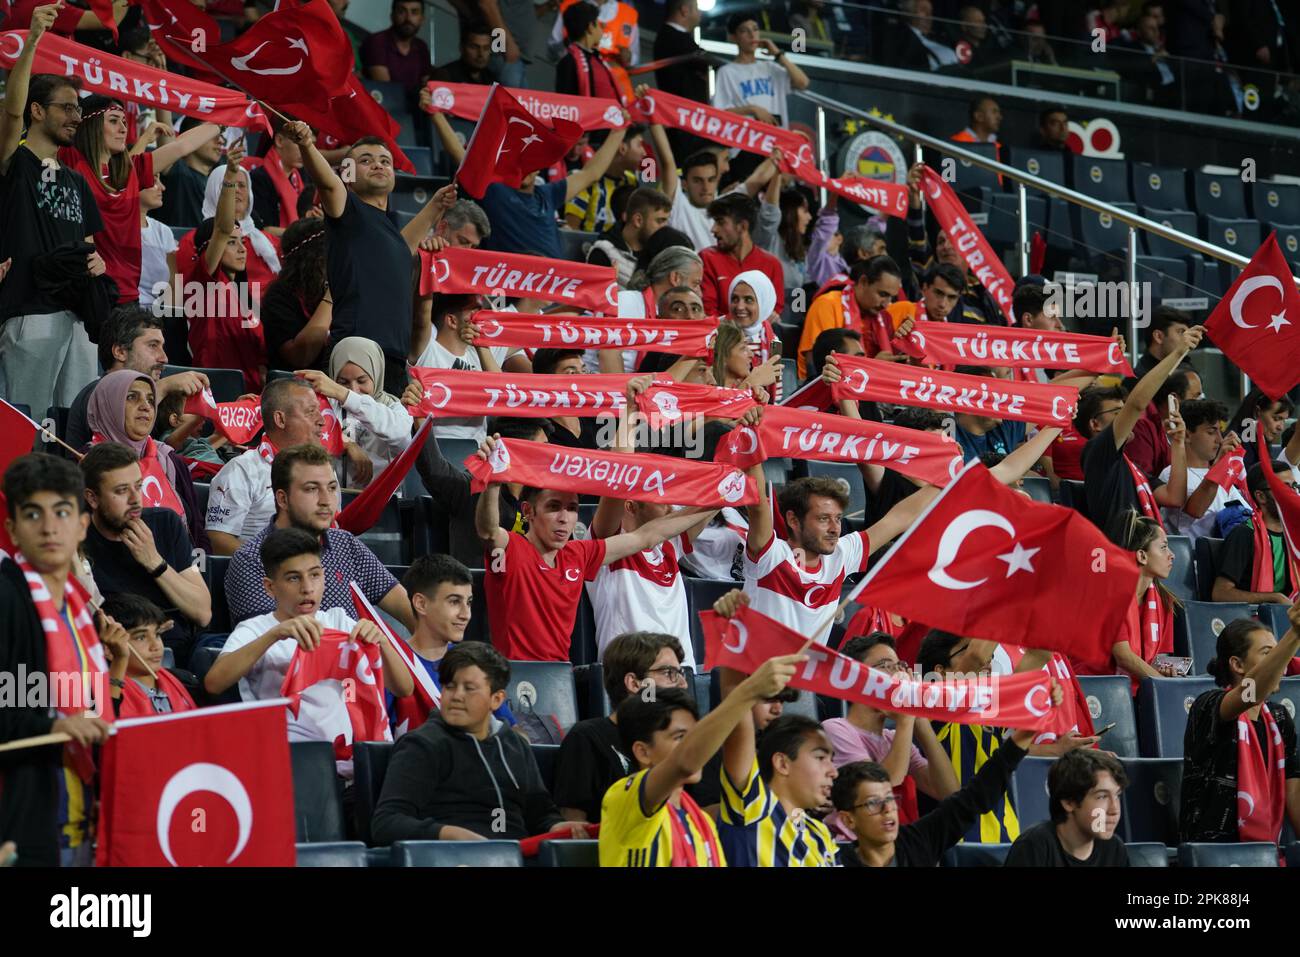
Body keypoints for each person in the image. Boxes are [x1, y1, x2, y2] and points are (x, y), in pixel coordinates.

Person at [473, 432, 716, 661]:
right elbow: (488, 530)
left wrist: (725, 489)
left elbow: (646, 536)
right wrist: (493, 484)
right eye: (553, 507)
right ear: (528, 511)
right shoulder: (511, 548)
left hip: (560, 680)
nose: (564, 518)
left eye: (572, 509)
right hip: (513, 675)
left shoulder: (578, 554)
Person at [204, 528, 413, 774]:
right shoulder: (255, 629)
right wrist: (276, 634)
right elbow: (214, 683)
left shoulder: (340, 620)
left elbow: (404, 688)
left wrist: (382, 643)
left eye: (315, 575)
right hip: (294, 767)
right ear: (270, 587)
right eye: (294, 578)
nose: (307, 588)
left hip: (359, 763)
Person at [0, 453, 120, 867]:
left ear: (82, 524)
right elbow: (8, 706)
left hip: (82, 812)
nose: (49, 527)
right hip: (24, 823)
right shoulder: (7, 601)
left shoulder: (79, 608)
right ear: (13, 529)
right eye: (33, 514)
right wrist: (54, 725)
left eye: (62, 512)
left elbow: (88, 709)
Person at [284, 120, 455, 390]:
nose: (379, 165)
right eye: (366, 160)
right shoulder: (346, 209)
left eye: (386, 161)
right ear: (348, 174)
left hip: (394, 359)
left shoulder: (387, 229)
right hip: (357, 355)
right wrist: (306, 144)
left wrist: (435, 207)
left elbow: (400, 248)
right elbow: (329, 185)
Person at [0, 7, 106, 418]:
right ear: (37, 110)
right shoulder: (18, 162)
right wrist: (32, 41)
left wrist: (95, 262)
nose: (76, 117)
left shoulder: (77, 180)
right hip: (29, 312)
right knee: (24, 425)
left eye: (79, 110)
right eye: (66, 108)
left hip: (77, 319)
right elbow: (10, 112)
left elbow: (88, 247)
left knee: (73, 428)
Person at [599, 654, 802, 866]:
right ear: (643, 752)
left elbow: (735, 734)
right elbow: (684, 763)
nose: (697, 748)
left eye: (694, 735)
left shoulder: (700, 821)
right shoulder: (623, 797)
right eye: (680, 737)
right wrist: (748, 691)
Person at [372, 642, 587, 842]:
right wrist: (450, 834)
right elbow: (387, 823)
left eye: (469, 688)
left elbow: (541, 815)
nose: (456, 696)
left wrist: (557, 827)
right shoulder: (421, 745)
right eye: (450, 686)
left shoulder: (515, 746)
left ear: (497, 699)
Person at [222, 442, 411, 628]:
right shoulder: (252, 559)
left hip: (355, 656)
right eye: (312, 489)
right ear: (282, 499)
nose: (326, 501)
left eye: (331, 488)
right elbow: (270, 644)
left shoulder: (346, 544)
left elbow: (408, 610)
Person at [60, 94, 220, 304]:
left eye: (125, 122)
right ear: (92, 124)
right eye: (114, 121)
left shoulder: (130, 171)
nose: (123, 129)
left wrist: (226, 120)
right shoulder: (73, 161)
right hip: (89, 292)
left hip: (128, 296)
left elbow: (182, 147)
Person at [742, 473, 938, 643]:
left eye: (838, 518)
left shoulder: (840, 556)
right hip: (754, 682)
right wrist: (752, 450)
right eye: (823, 518)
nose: (835, 528)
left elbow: (900, 518)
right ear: (793, 520)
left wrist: (947, 476)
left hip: (804, 684)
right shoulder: (770, 556)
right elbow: (758, 507)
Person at [429, 108, 627, 261]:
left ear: (539, 166)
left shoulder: (548, 194)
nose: (523, 167)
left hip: (556, 287)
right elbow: (463, 159)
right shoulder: (495, 191)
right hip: (514, 288)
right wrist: (436, 114)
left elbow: (591, 174)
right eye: (517, 160)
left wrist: (619, 131)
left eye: (529, 161)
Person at [79, 441, 212, 661]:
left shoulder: (166, 523)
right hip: (117, 656)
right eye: (122, 491)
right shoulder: (77, 539)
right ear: (92, 498)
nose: (135, 499)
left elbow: (203, 613)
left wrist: (154, 562)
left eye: (138, 486)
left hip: (178, 652)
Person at [832, 726, 1036, 867]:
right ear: (848, 819)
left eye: (890, 798)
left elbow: (972, 799)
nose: (888, 809)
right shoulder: (834, 860)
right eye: (873, 803)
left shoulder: (917, 841)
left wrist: (1021, 739)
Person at [1182, 612, 1300, 843]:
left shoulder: (1279, 717)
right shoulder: (1207, 705)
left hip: (1268, 852)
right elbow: (1252, 693)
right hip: (1213, 853)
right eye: (1269, 653)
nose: (1281, 663)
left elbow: (1293, 791)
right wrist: (1295, 633)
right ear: (1237, 664)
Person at [1079, 323, 1203, 543]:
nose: (1127, 418)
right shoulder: (1098, 452)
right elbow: (1136, 404)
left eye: (1122, 410)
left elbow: (1174, 496)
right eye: (1117, 411)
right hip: (1122, 553)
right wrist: (1177, 353)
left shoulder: (1130, 467)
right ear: (1095, 424)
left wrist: (1178, 444)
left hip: (1145, 552)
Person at [822, 633, 958, 830]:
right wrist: (906, 717)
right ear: (857, 679)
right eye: (886, 666)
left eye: (900, 666)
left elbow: (949, 792)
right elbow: (880, 787)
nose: (897, 676)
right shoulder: (836, 729)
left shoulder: (891, 738)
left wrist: (919, 719)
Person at [554, 631, 691, 822]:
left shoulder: (678, 740)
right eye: (669, 673)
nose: (683, 685)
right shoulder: (587, 737)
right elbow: (574, 829)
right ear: (634, 684)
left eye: (680, 673)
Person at [385, 554, 514, 734]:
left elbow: (514, 733)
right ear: (421, 604)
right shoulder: (389, 664)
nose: (465, 614)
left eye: (468, 603)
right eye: (454, 602)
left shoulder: (475, 664)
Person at [85, 369, 210, 549]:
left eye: (151, 400)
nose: (145, 406)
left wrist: (203, 574)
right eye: (131, 397)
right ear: (108, 405)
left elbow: (197, 532)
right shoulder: (86, 462)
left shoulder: (170, 459)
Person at [182, 138, 268, 389]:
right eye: (231, 243)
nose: (242, 249)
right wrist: (230, 174)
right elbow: (222, 228)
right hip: (214, 394)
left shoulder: (247, 298)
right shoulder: (203, 285)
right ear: (207, 250)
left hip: (250, 401)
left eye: (241, 242)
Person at [409, 413, 548, 568]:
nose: (550, 456)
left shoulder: (544, 497)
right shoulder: (473, 487)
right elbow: (434, 471)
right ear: (518, 451)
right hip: (477, 587)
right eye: (543, 448)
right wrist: (421, 421)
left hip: (525, 585)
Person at [205, 376, 324, 555]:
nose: (321, 420)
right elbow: (218, 539)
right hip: (263, 577)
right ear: (280, 419)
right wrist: (274, 567)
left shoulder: (325, 472)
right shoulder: (241, 470)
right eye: (311, 412)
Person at [65, 305, 208, 451]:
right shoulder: (97, 394)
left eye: (162, 347)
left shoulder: (158, 401)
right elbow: (121, 447)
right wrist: (163, 387)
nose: (164, 358)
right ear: (120, 352)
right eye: (153, 345)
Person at [1005, 749, 1131, 866]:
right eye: (1102, 797)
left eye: (1117, 795)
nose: (1115, 810)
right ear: (1069, 802)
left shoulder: (1114, 848)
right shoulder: (1033, 846)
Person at [796, 255, 905, 380]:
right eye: (883, 294)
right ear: (863, 282)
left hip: (869, 390)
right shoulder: (827, 304)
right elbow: (815, 366)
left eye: (891, 297)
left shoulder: (883, 317)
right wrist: (872, 367)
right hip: (825, 388)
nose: (886, 304)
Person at [1160, 399, 1248, 540]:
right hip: (1192, 560)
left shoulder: (1223, 475)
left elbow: (1246, 516)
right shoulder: (1170, 473)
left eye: (1220, 431)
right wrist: (1218, 466)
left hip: (1227, 557)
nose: (1220, 440)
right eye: (1211, 432)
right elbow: (1195, 510)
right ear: (1187, 435)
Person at [1212, 463, 1298, 605]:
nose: (1293, 494)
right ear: (1261, 497)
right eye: (1284, 487)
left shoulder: (1295, 536)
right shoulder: (1244, 534)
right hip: (1254, 620)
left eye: (1294, 486)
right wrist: (1273, 598)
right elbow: (1220, 593)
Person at [99, 593, 197, 717]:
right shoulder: (92, 690)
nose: (155, 646)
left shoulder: (185, 681)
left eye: (157, 634)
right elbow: (99, 725)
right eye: (141, 637)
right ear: (108, 649)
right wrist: (120, 659)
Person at [712, 12, 809, 128]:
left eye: (755, 29)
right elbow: (719, 113)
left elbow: (803, 82)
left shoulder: (770, 67)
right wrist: (752, 109)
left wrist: (778, 54)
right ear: (733, 37)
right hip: (746, 141)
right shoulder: (727, 72)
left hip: (776, 142)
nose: (752, 35)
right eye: (744, 31)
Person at [260, 217, 331, 371]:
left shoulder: (340, 289)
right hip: (296, 386)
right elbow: (300, 357)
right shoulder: (279, 296)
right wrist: (331, 297)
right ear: (313, 259)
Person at [700, 192, 785, 320]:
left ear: (742, 226)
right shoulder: (706, 259)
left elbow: (774, 311)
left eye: (720, 222)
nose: (713, 229)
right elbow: (708, 312)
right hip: (721, 338)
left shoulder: (772, 264)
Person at [653, 0, 708, 158]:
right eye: (697, 9)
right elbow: (701, 60)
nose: (700, 14)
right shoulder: (669, 37)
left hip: (692, 120)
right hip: (681, 121)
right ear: (685, 10)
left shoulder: (681, 40)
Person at [584, 184, 671, 283]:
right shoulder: (603, 252)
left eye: (666, 221)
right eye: (660, 221)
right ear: (638, 220)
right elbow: (597, 296)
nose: (665, 227)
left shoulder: (660, 253)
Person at [155, 116, 225, 229]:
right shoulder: (176, 172)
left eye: (221, 135)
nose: (221, 141)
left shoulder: (223, 181)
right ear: (190, 138)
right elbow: (165, 123)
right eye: (212, 135)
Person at [555, 1, 625, 102]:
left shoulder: (596, 59)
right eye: (598, 23)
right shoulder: (568, 62)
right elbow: (567, 106)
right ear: (590, 28)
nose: (603, 26)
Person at [362, 0, 435, 95]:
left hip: (415, 105)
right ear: (392, 16)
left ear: (422, 19)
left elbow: (427, 86)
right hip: (386, 104)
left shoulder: (421, 46)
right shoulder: (378, 41)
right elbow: (386, 89)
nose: (408, 18)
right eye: (402, 11)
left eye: (414, 12)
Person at [248, 124, 307, 236]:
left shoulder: (303, 176)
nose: (304, 149)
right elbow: (264, 229)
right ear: (279, 140)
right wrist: (302, 232)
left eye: (309, 144)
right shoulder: (259, 178)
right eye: (298, 141)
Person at [1228, 387, 1297, 471]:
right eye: (1276, 418)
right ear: (1257, 412)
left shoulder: (1260, 444)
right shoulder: (1234, 445)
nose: (1281, 427)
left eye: (1283, 420)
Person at [138, 173, 176, 308]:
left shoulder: (164, 231)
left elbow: (173, 285)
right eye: (154, 181)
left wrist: (172, 319)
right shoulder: (115, 228)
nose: (162, 187)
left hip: (157, 317)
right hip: (125, 314)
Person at [432, 20, 498, 85]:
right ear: (462, 48)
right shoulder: (445, 76)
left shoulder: (491, 79)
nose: (481, 54)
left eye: (486, 48)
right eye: (474, 47)